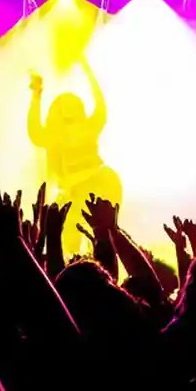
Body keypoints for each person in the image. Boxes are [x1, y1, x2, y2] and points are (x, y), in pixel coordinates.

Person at [28, 57, 122, 254]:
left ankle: (85, 265)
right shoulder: (68, 131)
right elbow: (35, 132)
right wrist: (37, 95)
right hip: (81, 187)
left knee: (86, 236)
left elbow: (35, 132)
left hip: (88, 184)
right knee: (90, 236)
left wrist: (37, 95)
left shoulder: (78, 129)